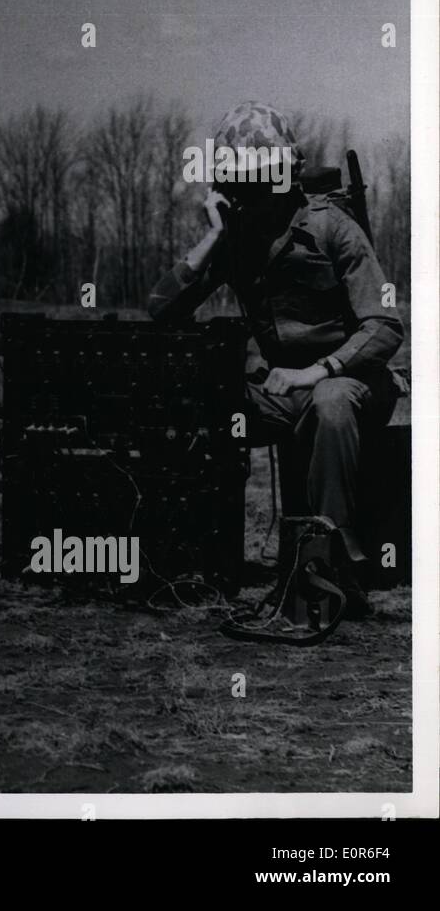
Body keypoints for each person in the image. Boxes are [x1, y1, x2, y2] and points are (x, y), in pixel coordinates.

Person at [147, 101, 404, 617]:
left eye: (260, 182)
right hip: (282, 390)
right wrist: (214, 236)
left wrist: (317, 370)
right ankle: (192, 554)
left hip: (353, 380)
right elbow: (161, 311)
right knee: (203, 403)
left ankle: (331, 562)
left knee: (330, 404)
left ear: (285, 175)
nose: (252, 196)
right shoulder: (237, 236)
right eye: (239, 186)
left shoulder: (332, 226)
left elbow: (385, 325)